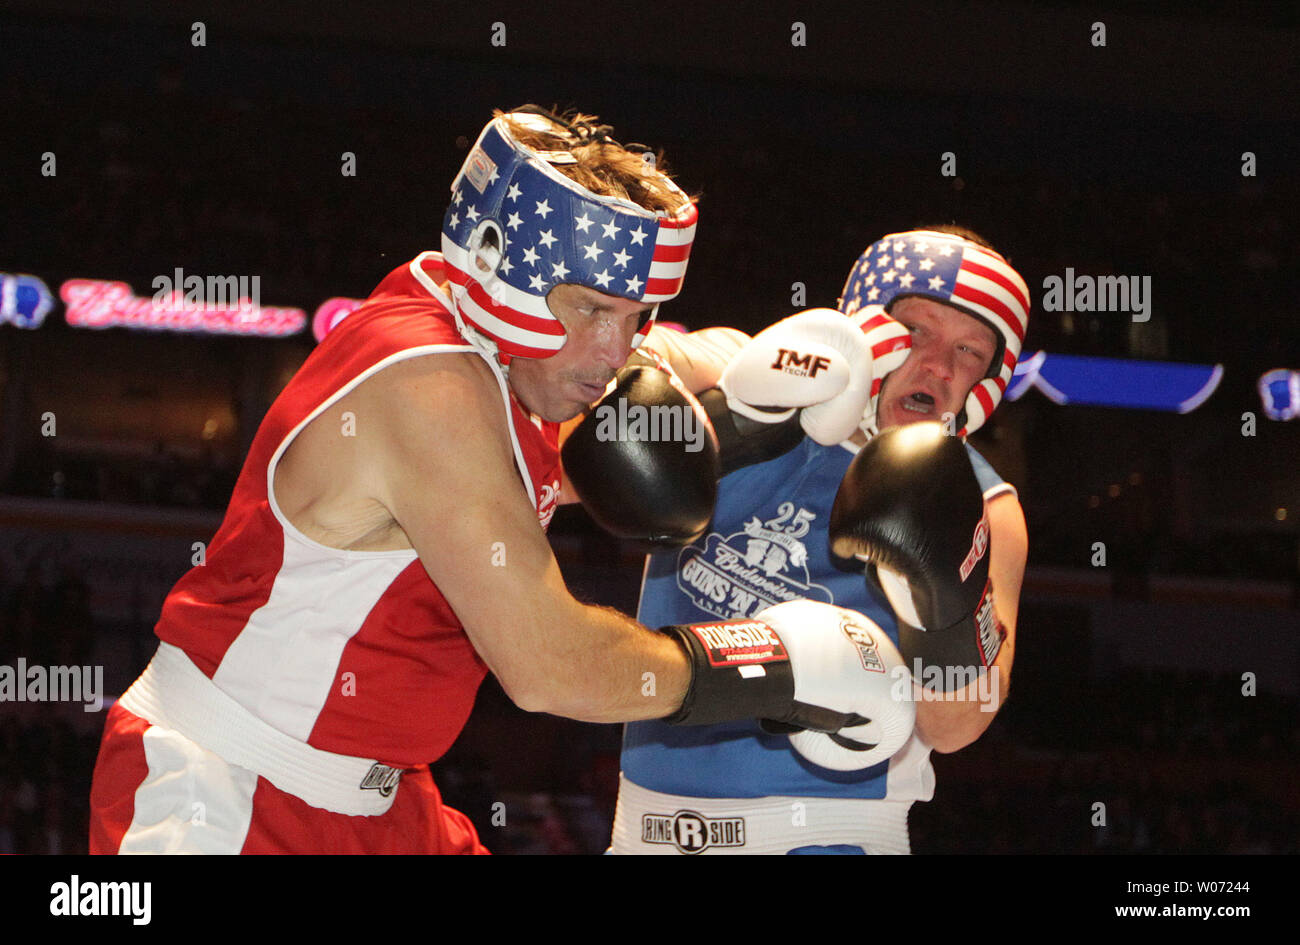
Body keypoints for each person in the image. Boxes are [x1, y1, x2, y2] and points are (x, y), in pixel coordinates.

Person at [88, 107, 890, 854]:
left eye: (637, 313)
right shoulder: (428, 387)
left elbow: (699, 360)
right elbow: (547, 664)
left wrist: (842, 373)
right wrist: (772, 665)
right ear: (501, 268)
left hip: (385, 799)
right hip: (229, 796)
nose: (617, 350)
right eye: (594, 309)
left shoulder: (521, 347)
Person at [611, 226, 1031, 854]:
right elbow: (603, 411)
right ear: (866, 329)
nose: (940, 367)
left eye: (970, 351)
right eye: (917, 332)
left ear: (988, 380)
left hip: (829, 837)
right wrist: (733, 415)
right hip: (639, 831)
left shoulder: (986, 506)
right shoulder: (750, 375)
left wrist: (940, 592)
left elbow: (957, 726)